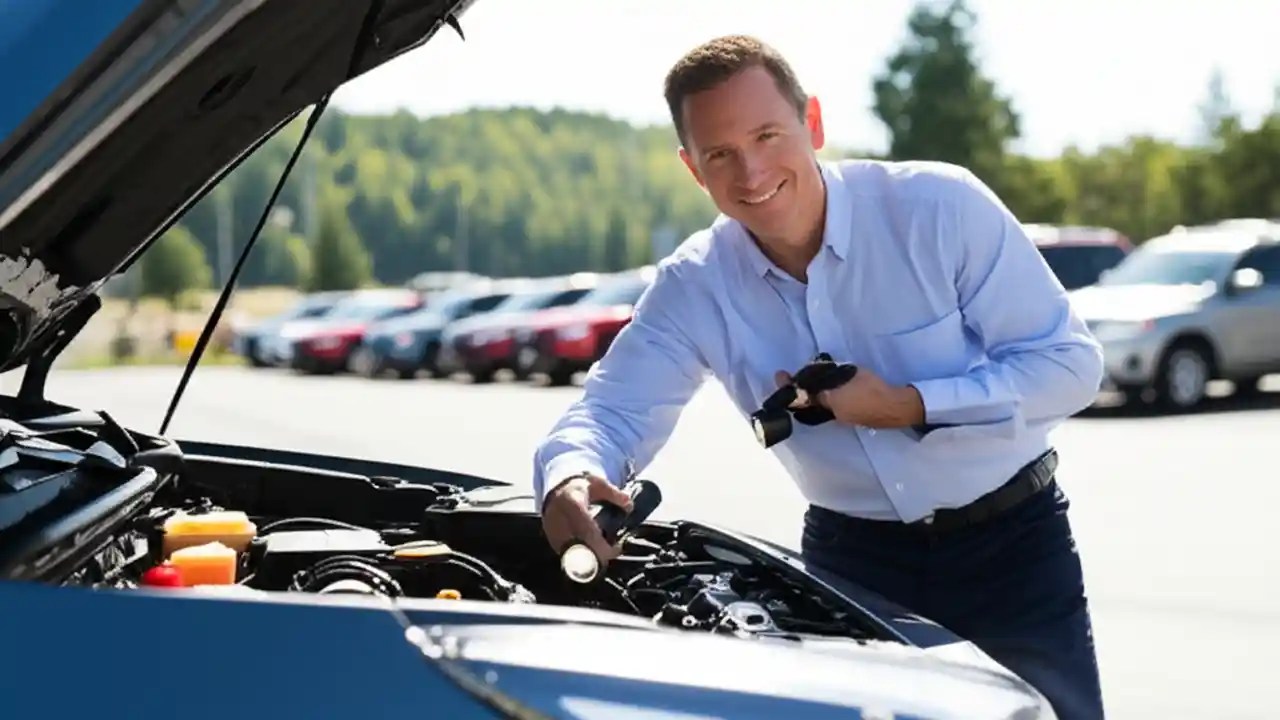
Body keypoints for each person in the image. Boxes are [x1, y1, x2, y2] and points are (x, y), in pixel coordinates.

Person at [531, 34, 1105, 719]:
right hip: (850, 565)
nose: (751, 173)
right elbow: (611, 410)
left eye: (767, 136)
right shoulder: (695, 283)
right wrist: (569, 472)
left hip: (1012, 549)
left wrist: (910, 405)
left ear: (813, 122)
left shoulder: (939, 208)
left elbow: (1070, 366)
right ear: (693, 168)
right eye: (720, 154)